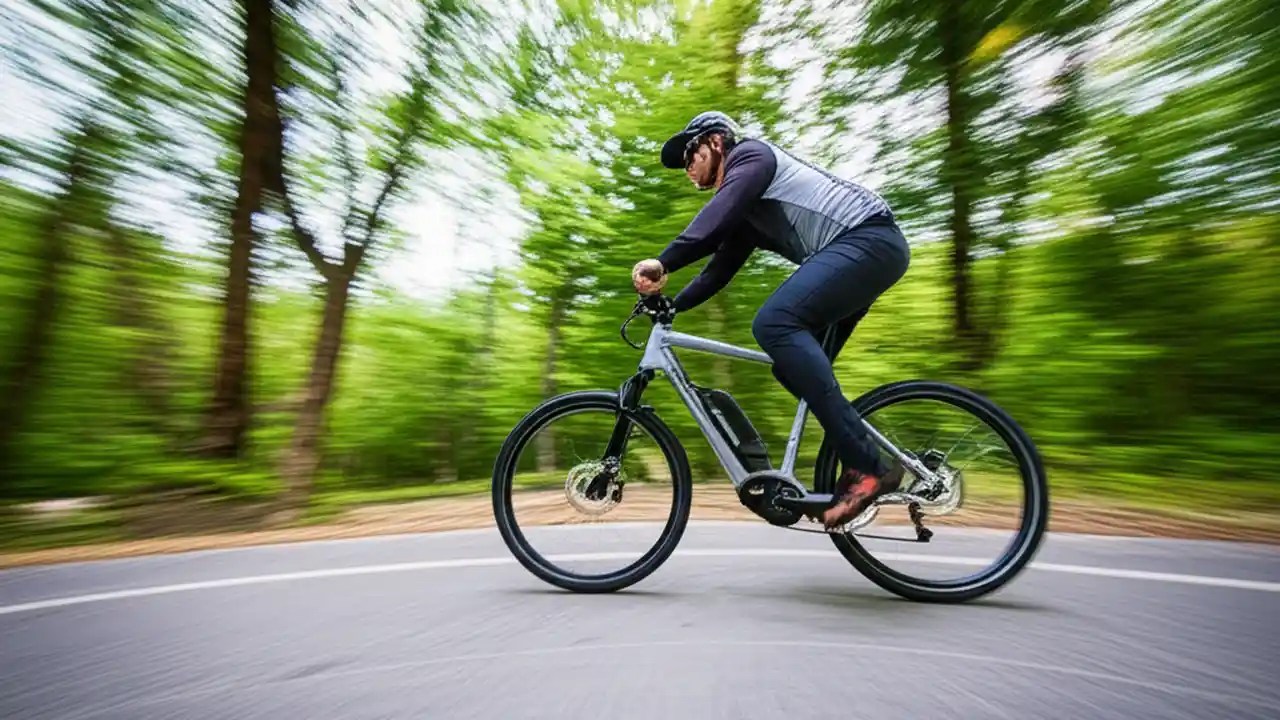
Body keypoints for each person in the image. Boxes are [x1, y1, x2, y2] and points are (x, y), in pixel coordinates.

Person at [631, 111, 910, 530]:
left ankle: (868, 465)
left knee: (774, 324)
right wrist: (674, 305)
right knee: (792, 366)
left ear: (716, 143)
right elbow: (718, 270)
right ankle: (862, 464)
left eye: (690, 154)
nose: (687, 167)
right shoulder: (748, 211)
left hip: (868, 239)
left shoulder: (752, 157)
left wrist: (664, 261)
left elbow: (711, 225)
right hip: (866, 252)